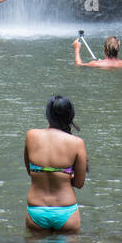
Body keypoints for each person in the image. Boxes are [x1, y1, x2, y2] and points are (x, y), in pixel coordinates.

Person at [23, 96, 86, 233]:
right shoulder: (77, 143)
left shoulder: (31, 135)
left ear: (48, 114)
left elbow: (31, 172)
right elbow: (79, 184)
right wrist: (66, 174)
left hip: (36, 209)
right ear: (70, 115)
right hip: (66, 210)